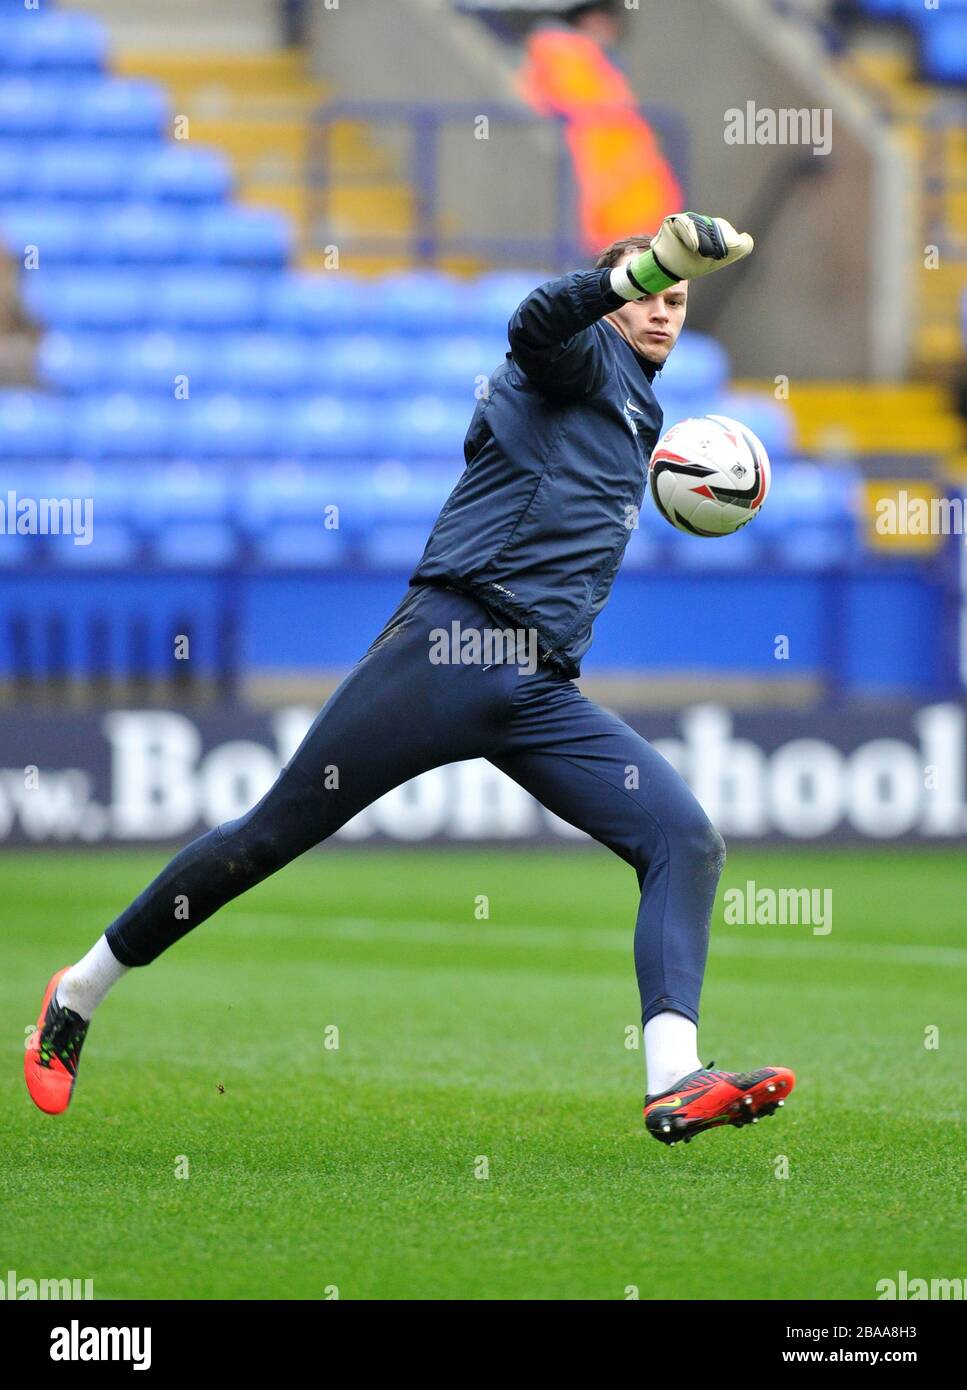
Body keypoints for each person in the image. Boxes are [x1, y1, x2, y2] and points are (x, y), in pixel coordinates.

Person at [24, 212, 795, 1146]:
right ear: (617, 292)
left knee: (685, 838)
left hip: (536, 687)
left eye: (677, 299)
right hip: (450, 648)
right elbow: (534, 322)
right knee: (265, 838)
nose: (664, 310)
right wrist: (648, 266)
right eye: (649, 293)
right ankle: (79, 991)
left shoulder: (642, 410)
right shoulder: (577, 353)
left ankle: (674, 1079)